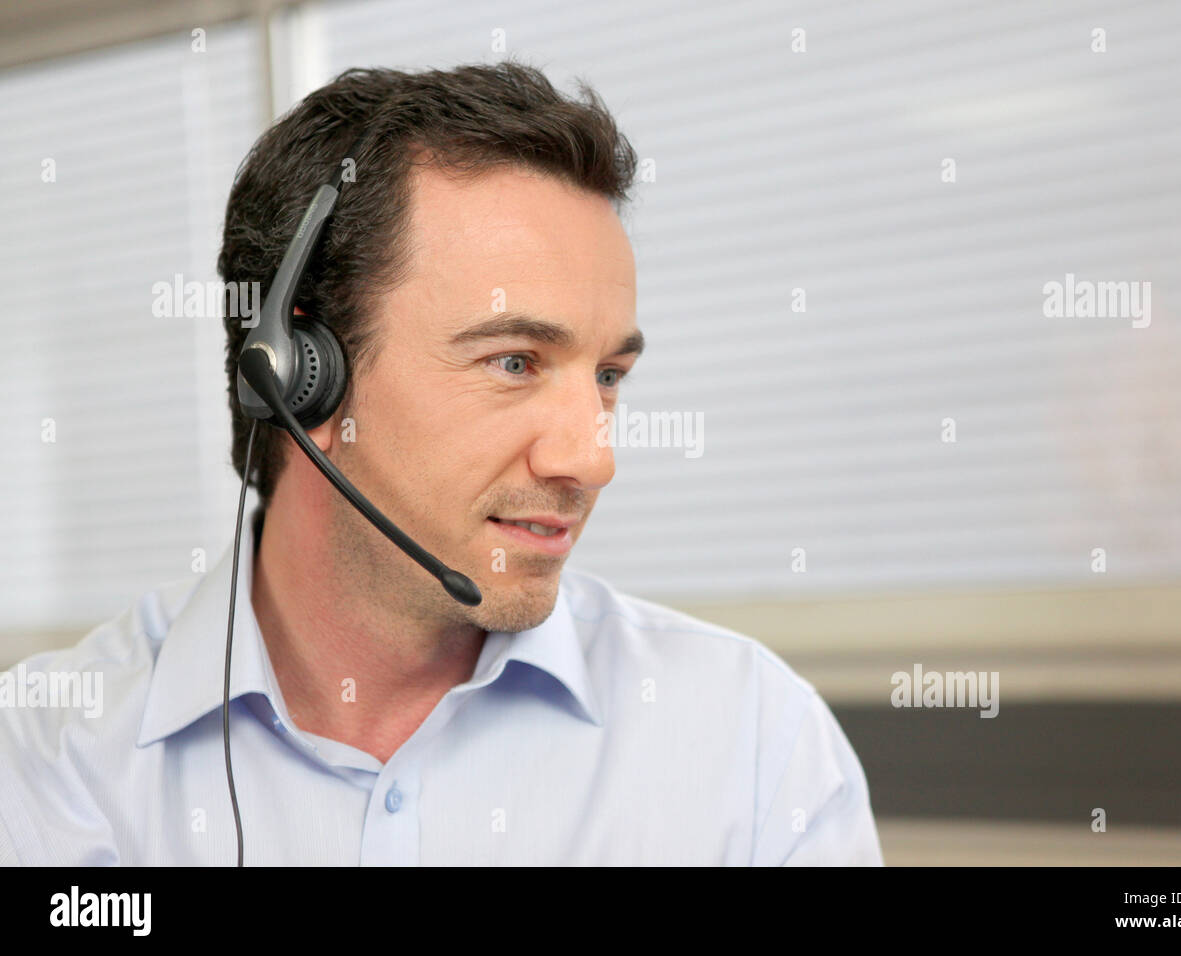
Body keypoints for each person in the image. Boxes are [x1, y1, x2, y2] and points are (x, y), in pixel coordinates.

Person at [0, 61, 883, 866]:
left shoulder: (754, 743)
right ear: (299, 375)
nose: (592, 458)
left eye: (609, 376)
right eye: (513, 362)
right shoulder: (48, 758)